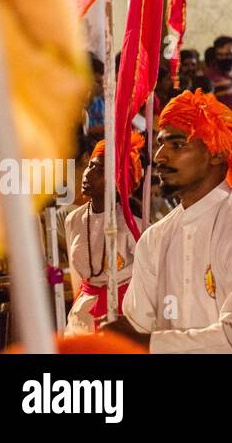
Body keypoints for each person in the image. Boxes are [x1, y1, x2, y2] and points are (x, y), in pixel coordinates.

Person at [108, 90, 232, 352]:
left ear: (216, 154)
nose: (160, 157)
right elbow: (137, 329)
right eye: (161, 144)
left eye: (177, 145)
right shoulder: (155, 238)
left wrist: (149, 344)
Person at [64, 134, 141, 335]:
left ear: (118, 182)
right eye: (90, 166)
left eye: (99, 171)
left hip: (122, 312)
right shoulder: (73, 218)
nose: (88, 174)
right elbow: (77, 280)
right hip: (82, 312)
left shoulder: (134, 224)